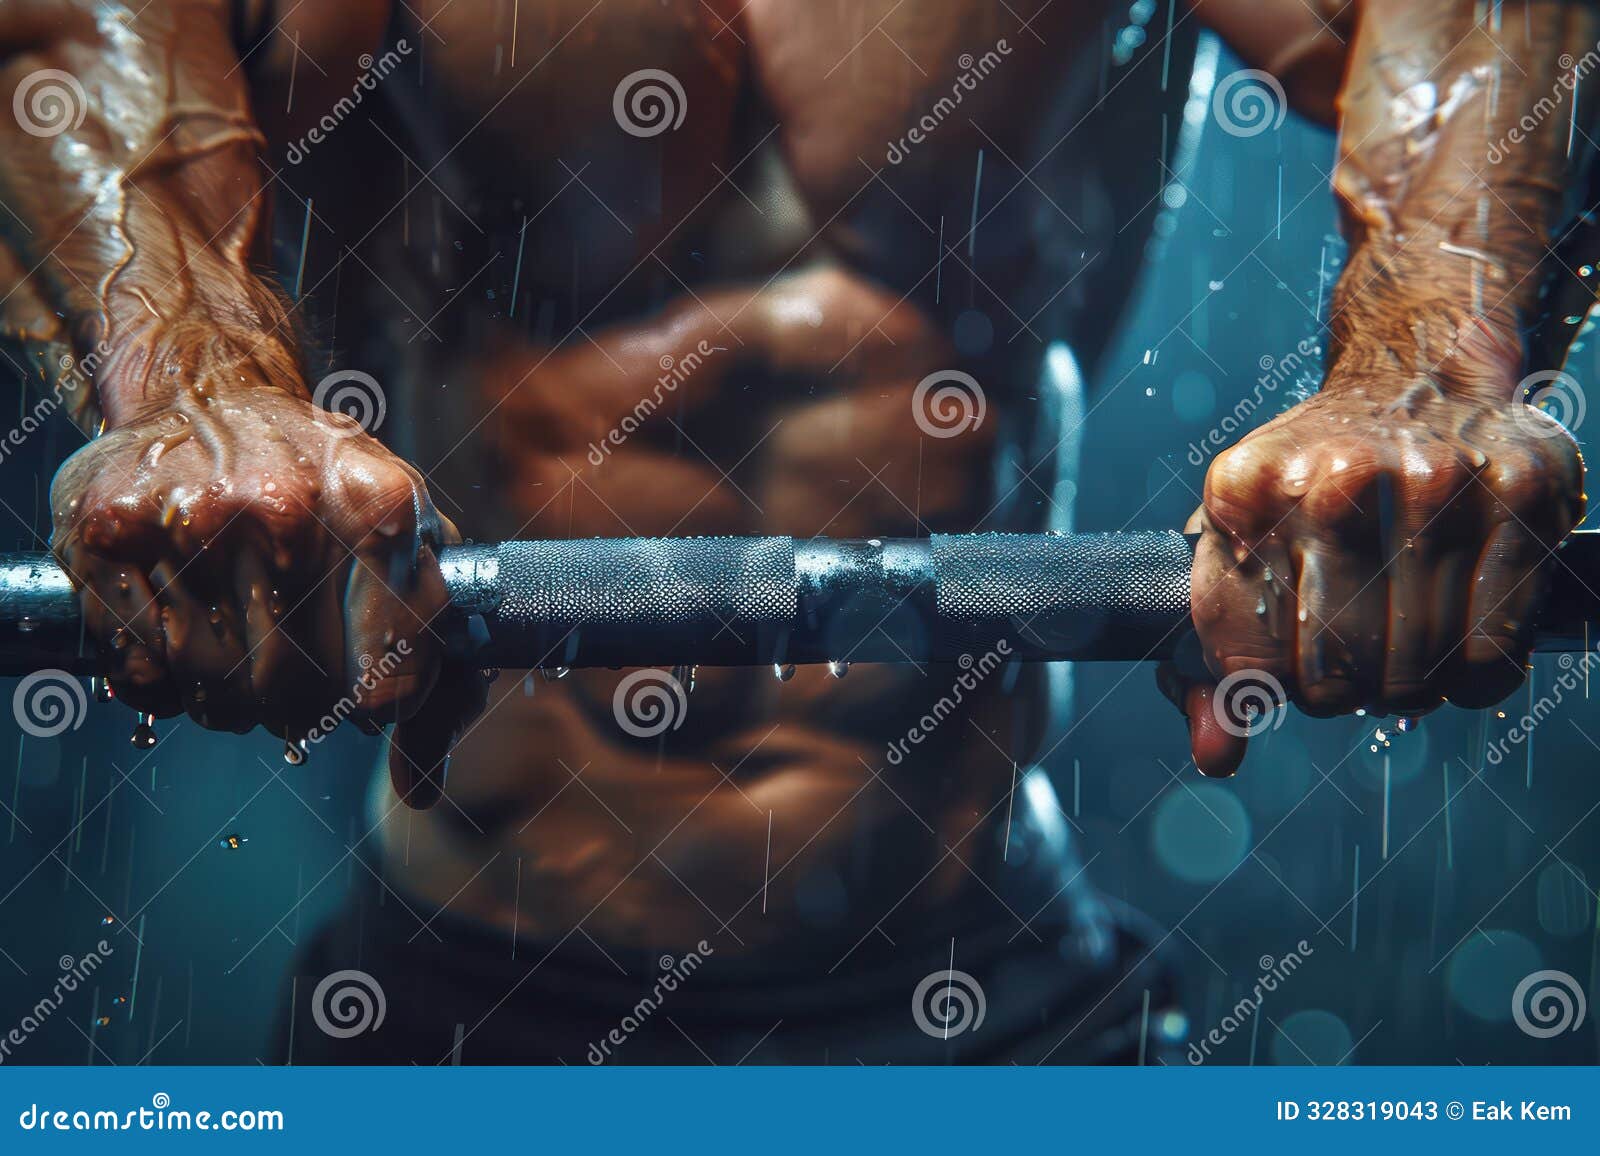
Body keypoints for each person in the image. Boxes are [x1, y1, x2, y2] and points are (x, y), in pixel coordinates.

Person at [0, 0, 1591, 1063]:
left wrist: (1423, 368)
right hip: (480, 994)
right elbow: (82, 53)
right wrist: (188, 394)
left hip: (997, 981)